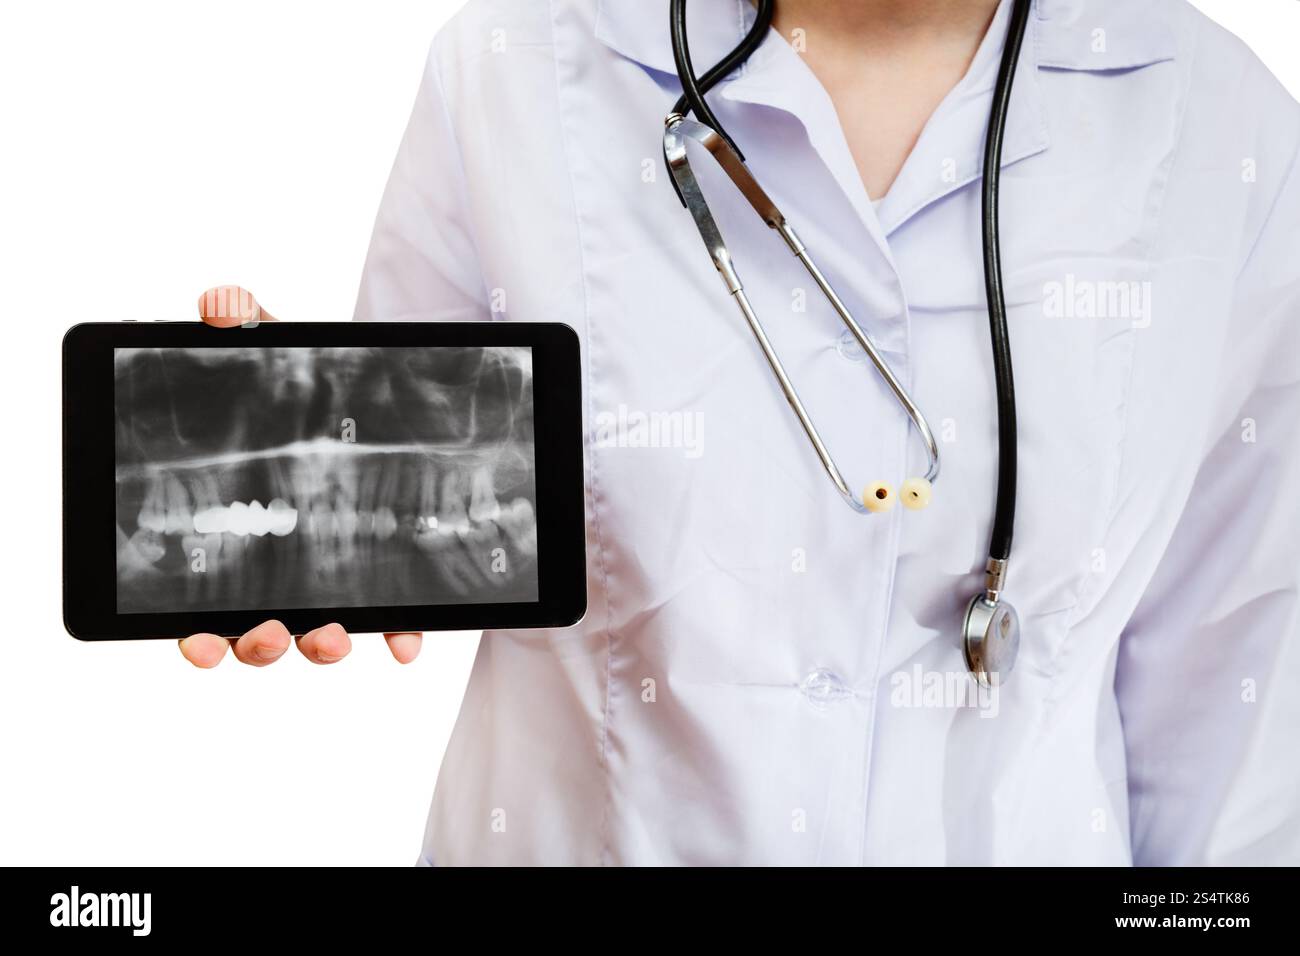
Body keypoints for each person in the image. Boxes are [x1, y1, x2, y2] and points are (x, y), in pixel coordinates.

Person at [177, 0, 1300, 865]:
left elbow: (1239, 690)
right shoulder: (516, 62)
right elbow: (397, 476)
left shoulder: (1222, 123)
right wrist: (296, 476)